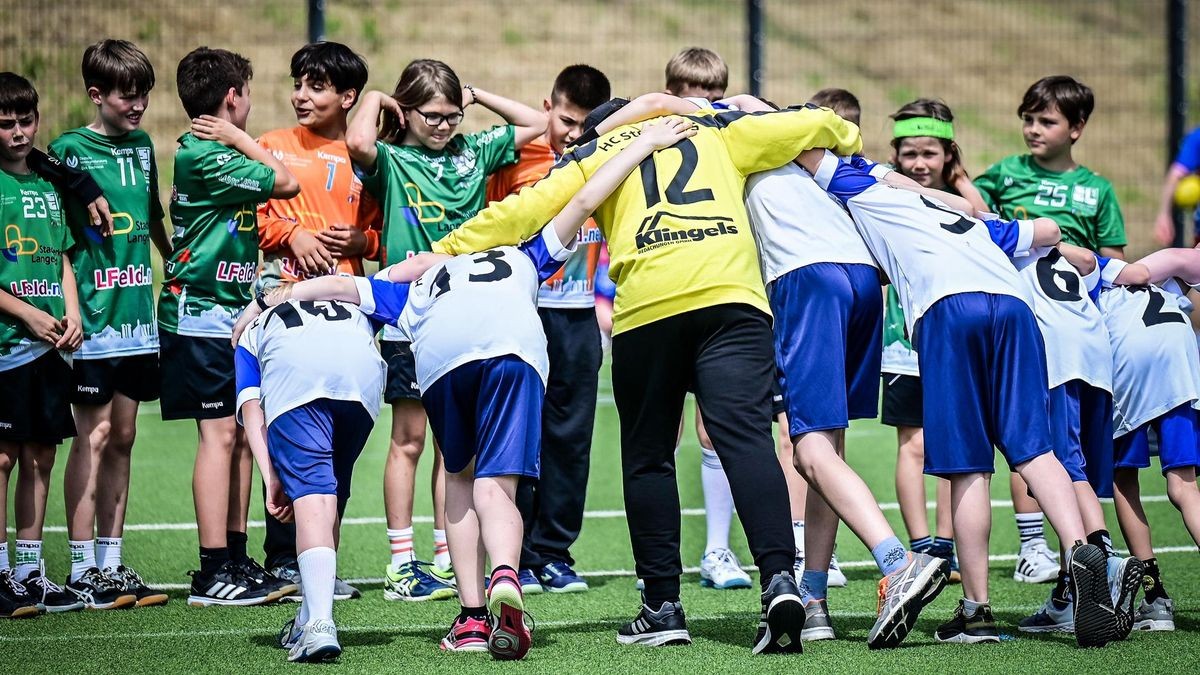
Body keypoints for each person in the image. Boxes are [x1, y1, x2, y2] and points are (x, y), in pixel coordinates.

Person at [434, 94, 935, 653]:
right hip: (731, 298)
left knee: (649, 456)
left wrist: (446, 250)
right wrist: (843, 133)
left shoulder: (594, 154)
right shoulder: (711, 129)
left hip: (650, 307)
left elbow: (520, 214)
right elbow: (814, 123)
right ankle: (779, 583)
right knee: (747, 441)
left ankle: (662, 606)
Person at [797, 147, 1118, 647]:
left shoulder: (867, 193)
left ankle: (976, 610)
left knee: (969, 467)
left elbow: (809, 152)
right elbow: (1049, 232)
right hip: (1013, 308)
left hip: (948, 310)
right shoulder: (961, 214)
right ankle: (1081, 550)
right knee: (1035, 449)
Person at [345, 59, 545, 599]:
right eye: (431, 116)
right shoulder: (391, 159)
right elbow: (359, 139)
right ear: (406, 112)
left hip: (462, 316)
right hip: (410, 315)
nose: (442, 126)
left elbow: (538, 124)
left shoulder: (474, 150)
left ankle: (442, 558)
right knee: (408, 440)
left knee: (454, 449)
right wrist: (379, 98)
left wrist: (478, 95)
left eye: (451, 115)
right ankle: (400, 561)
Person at [974, 75, 1128, 584]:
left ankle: (1095, 567)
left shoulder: (1098, 190)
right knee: (1053, 452)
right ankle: (1038, 548)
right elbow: (979, 221)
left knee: (1054, 452)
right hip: (1038, 331)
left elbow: (1113, 268)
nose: (1033, 129)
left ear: (1078, 128)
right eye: (1028, 119)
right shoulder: (1003, 175)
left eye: (1047, 121)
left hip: (1068, 337)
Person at [161, 47, 300, 606]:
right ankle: (212, 569)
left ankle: (238, 558)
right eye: (247, 93)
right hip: (199, 316)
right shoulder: (205, 154)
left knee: (244, 434)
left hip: (230, 314)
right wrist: (245, 140)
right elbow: (285, 181)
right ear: (231, 99)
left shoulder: (210, 151)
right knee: (219, 434)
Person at [252, 41, 380, 602]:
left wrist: (364, 240)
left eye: (317, 86)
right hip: (282, 312)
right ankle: (282, 560)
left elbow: (388, 237)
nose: (301, 95)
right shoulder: (270, 147)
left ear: (348, 96)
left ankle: (323, 560)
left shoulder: (370, 159)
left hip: (347, 319)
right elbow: (248, 220)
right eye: (298, 83)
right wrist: (290, 234)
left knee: (338, 451)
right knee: (290, 439)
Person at [50, 38, 171, 609]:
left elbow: (150, 219)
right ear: (96, 95)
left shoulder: (145, 146)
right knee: (92, 437)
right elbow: (52, 222)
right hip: (92, 321)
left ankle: (112, 563)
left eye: (143, 94)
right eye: (127, 95)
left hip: (136, 319)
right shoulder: (67, 150)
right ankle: (79, 568)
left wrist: (172, 256)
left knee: (124, 437)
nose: (138, 105)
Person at [486, 64, 611, 594]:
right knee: (518, 435)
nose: (573, 133)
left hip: (580, 316)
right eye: (564, 120)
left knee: (570, 439)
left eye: (585, 125)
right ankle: (517, 552)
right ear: (545, 108)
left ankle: (555, 553)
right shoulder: (516, 158)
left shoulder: (609, 161)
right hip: (521, 313)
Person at [232, 293, 387, 662]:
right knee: (328, 496)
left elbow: (252, 409)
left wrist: (271, 475)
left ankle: (319, 623)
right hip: (361, 381)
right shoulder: (349, 299)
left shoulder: (251, 327)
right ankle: (308, 616)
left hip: (298, 375)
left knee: (315, 497)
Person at [884, 98, 987, 582]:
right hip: (904, 339)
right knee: (915, 442)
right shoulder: (885, 193)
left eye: (931, 153)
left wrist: (964, 182)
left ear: (949, 154)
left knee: (954, 438)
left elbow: (989, 226)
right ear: (896, 155)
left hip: (956, 337)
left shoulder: (964, 197)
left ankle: (948, 544)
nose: (920, 164)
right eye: (910, 154)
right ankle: (921, 545)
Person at [1071, 246, 1200, 634]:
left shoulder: (1089, 274)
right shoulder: (1168, 273)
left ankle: (1155, 598)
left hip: (1130, 356)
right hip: (1181, 355)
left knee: (1122, 478)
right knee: (1184, 486)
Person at [0, 72, 91, 615]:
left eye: (25, 121)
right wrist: (29, 314)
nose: (17, 133)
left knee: (39, 457)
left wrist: (71, 311)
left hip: (50, 347)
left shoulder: (47, 183)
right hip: (9, 344)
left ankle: (31, 572)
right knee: (3, 457)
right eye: (5, 124)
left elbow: (60, 258)